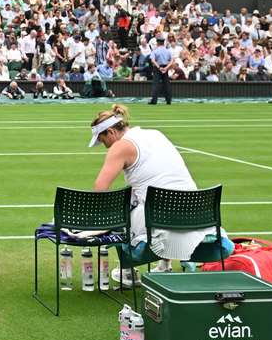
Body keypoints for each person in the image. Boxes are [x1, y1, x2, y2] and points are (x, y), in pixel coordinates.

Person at [89, 104, 227, 275]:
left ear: (111, 132)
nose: (106, 146)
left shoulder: (120, 146)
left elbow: (99, 190)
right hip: (198, 213)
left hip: (160, 218)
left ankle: (127, 272)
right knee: (149, 198)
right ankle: (165, 265)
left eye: (103, 141)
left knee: (117, 208)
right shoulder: (156, 134)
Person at [147, 35, 174, 105]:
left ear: (157, 43)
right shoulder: (167, 51)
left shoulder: (155, 51)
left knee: (156, 84)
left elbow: (153, 60)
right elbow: (171, 60)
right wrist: (166, 68)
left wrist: (159, 67)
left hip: (158, 68)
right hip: (165, 67)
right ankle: (168, 100)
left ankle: (154, 100)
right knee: (167, 84)